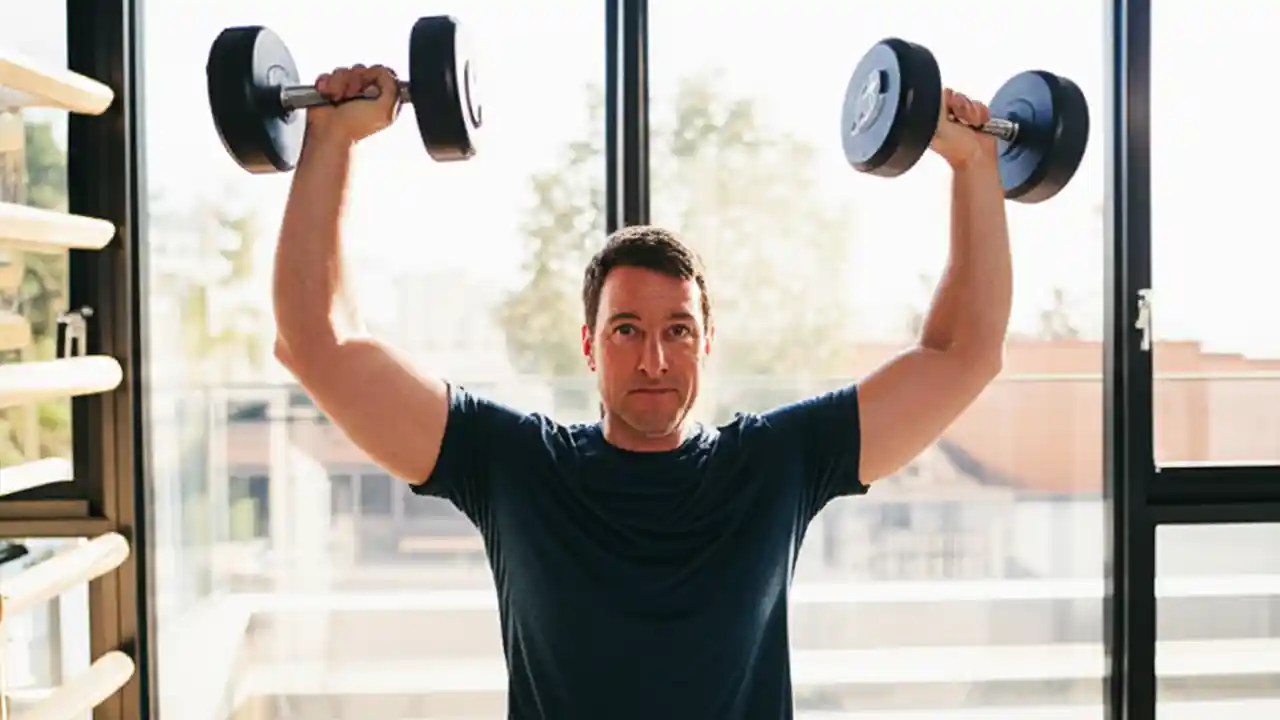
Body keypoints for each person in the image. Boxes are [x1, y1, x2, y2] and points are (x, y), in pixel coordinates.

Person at [273, 64, 1010, 720]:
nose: (654, 359)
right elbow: (316, 343)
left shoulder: (773, 465)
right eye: (626, 330)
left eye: (678, 331)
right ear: (589, 344)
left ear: (706, 342)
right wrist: (332, 141)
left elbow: (964, 355)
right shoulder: (516, 466)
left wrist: (974, 165)